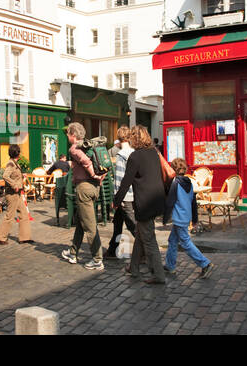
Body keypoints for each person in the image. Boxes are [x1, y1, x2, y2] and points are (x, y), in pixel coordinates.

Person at [113, 126, 167, 284]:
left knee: (149, 240)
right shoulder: (154, 153)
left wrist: (116, 201)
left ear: (134, 138)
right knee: (141, 233)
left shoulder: (135, 157)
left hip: (145, 202)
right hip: (157, 199)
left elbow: (126, 182)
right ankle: (134, 268)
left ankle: (159, 275)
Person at [61, 122, 106, 269]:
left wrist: (93, 174)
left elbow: (85, 161)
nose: (67, 136)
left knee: (89, 225)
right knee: (81, 221)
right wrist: (99, 177)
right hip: (94, 188)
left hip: (84, 187)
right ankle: (73, 253)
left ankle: (97, 259)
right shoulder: (89, 145)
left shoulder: (74, 148)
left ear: (73, 135)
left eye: (68, 134)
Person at [164, 157, 214, 278]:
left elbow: (170, 202)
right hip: (186, 216)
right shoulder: (190, 183)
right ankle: (170, 265)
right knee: (172, 240)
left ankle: (205, 263)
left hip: (179, 218)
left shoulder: (175, 183)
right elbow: (193, 203)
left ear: (174, 169)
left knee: (185, 243)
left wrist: (165, 217)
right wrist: (195, 219)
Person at [0, 145, 35, 245]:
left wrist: (21, 175)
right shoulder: (11, 164)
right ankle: (0, 237)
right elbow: (5, 176)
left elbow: (13, 175)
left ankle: (24, 237)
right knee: (10, 215)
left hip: (17, 193)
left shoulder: (15, 163)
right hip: (12, 193)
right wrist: (14, 185)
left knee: (24, 214)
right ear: (18, 153)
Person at [105, 126, 133, 258]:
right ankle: (112, 249)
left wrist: (116, 199)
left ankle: (145, 251)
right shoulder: (133, 152)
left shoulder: (121, 155)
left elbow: (119, 179)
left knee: (132, 225)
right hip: (131, 193)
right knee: (117, 222)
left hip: (124, 196)